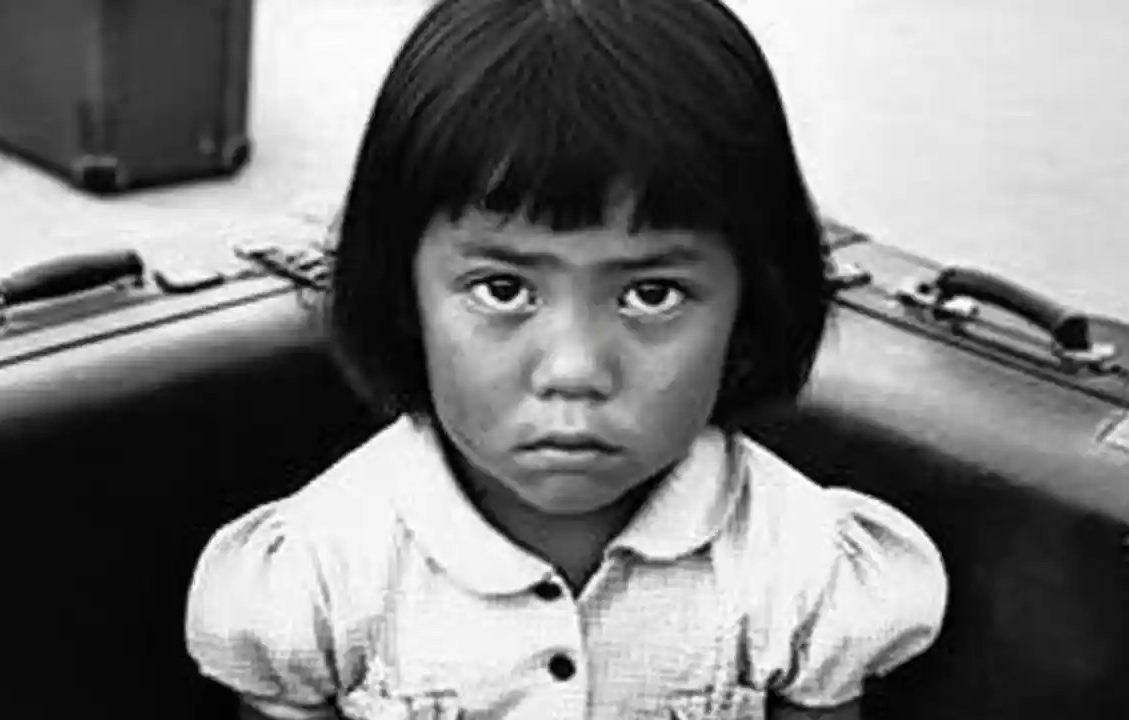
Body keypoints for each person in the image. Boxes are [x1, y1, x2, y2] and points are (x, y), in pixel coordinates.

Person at [185, 0, 948, 718]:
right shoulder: (319, 572)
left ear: (752, 301)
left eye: (651, 294)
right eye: (503, 288)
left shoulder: (800, 568)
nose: (575, 370)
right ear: (400, 293)